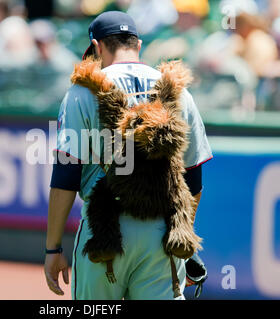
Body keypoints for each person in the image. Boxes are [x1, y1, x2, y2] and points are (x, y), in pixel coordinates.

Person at [44, 11, 212, 300]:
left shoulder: (81, 92)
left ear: (97, 47)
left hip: (104, 231)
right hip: (159, 234)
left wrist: (53, 248)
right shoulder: (178, 91)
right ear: (139, 44)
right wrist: (180, 233)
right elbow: (193, 179)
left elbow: (66, 176)